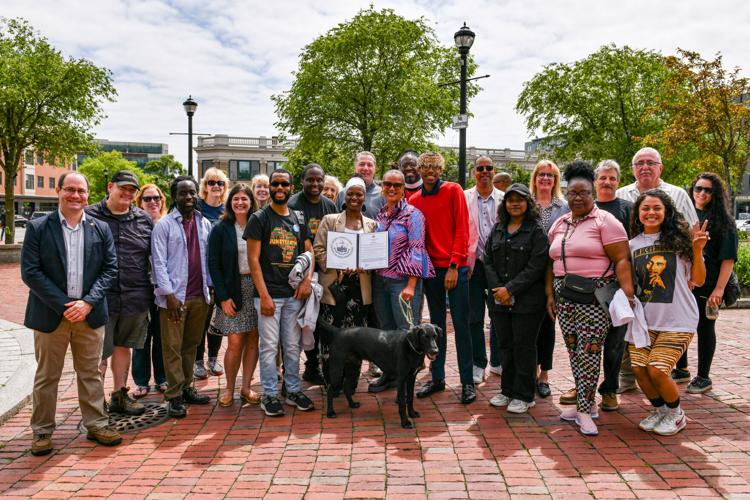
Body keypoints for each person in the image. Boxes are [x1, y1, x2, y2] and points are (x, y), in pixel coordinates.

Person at [21, 171, 121, 456]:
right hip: (51, 315)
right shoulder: (38, 227)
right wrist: (66, 304)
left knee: (90, 373)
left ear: (88, 194)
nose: (76, 196)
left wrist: (87, 302)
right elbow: (31, 272)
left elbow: (109, 269)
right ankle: (42, 431)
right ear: (58, 191)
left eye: (81, 191)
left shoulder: (100, 229)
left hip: (90, 314)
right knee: (47, 376)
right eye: (70, 190)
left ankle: (97, 424)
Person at [547, 162, 634, 436]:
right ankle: (587, 404)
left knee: (590, 353)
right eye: (572, 192)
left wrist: (628, 294)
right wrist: (551, 294)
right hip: (565, 296)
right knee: (574, 350)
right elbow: (551, 261)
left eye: (584, 192)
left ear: (592, 193)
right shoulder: (560, 223)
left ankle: (585, 411)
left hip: (594, 297)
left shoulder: (606, 222)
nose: (577, 197)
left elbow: (622, 258)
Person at [616, 147, 699, 392]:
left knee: (660, 355)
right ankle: (629, 381)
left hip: (672, 273)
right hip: (636, 274)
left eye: (651, 162)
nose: (645, 167)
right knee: (636, 339)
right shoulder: (622, 194)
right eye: (639, 162)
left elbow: (692, 232)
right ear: (632, 169)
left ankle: (668, 399)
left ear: (660, 167)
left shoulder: (677, 193)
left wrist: (692, 266)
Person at [628, 189, 708, 435]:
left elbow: (699, 280)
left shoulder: (681, 241)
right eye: (646, 208)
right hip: (645, 321)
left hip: (678, 320)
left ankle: (676, 413)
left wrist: (697, 250)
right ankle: (660, 409)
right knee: (640, 370)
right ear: (638, 213)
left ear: (666, 212)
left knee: (658, 369)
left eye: (656, 208)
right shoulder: (632, 245)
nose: (651, 213)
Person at [245, 168, 314, 417]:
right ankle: (270, 394)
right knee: (269, 346)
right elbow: (253, 261)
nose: (280, 188)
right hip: (269, 294)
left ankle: (293, 389)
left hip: (294, 294)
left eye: (285, 184)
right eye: (276, 184)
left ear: (291, 187)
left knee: (292, 345)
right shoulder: (260, 218)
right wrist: (263, 295)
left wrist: (307, 280)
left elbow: (309, 253)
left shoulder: (299, 217)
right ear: (271, 187)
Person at [86, 171, 153, 415]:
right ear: (110, 186)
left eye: (132, 190)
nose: (127, 193)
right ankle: (96, 402)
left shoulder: (143, 219)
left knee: (124, 346)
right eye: (122, 188)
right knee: (98, 354)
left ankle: (119, 395)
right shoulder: (89, 215)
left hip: (135, 297)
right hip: (99, 298)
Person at [410, 152, 475, 404]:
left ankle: (467, 381)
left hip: (453, 268)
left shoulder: (453, 190)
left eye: (434, 169)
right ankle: (437, 378)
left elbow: (462, 228)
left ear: (440, 170)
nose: (430, 173)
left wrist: (454, 264)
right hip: (430, 271)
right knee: (434, 329)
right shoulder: (414, 200)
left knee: (462, 325)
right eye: (425, 168)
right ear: (419, 170)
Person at [151, 176, 213, 418]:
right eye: (183, 193)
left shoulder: (204, 223)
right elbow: (158, 262)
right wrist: (169, 295)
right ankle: (174, 396)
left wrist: (211, 288)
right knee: (173, 348)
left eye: (192, 193)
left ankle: (188, 387)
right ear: (174, 196)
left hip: (200, 296)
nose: (188, 197)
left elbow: (207, 259)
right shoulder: (164, 225)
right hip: (174, 299)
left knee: (191, 345)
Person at [367, 169, 434, 392]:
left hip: (403, 282)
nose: (392, 188)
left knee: (407, 332)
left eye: (397, 185)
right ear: (382, 186)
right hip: (380, 281)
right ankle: (391, 374)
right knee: (387, 332)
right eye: (388, 184)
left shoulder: (413, 215)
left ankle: (407, 380)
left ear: (403, 188)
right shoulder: (380, 216)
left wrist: (412, 285)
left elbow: (417, 249)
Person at [485, 183, 549, 413]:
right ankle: (507, 390)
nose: (514, 203)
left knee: (524, 346)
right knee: (506, 346)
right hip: (499, 301)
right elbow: (488, 261)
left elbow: (536, 266)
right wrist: (498, 290)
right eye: (510, 199)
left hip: (528, 301)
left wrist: (510, 289)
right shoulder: (498, 229)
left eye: (519, 199)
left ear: (528, 203)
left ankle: (524, 394)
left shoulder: (536, 231)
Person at [673, 173, 738, 393]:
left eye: (708, 190)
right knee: (680, 325)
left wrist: (719, 289)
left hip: (709, 284)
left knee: (704, 327)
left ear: (715, 194)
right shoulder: (683, 216)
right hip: (684, 282)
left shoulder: (724, 222)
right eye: (698, 188)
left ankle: (703, 377)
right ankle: (681, 369)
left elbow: (728, 259)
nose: (702, 193)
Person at [208, 183, 261, 406]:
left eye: (244, 199)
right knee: (235, 341)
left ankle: (246, 387)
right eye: (236, 198)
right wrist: (222, 297)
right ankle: (229, 388)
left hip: (256, 287)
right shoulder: (221, 228)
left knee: (253, 339)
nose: (240, 202)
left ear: (251, 202)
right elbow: (213, 263)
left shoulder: (258, 225)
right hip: (232, 289)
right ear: (230, 202)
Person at [289, 163, 338, 385]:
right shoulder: (293, 205)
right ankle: (295, 370)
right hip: (300, 274)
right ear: (302, 181)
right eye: (311, 179)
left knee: (318, 322)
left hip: (326, 271)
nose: (316, 184)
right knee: (301, 323)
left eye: (319, 179)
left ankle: (313, 367)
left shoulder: (330, 205)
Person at [314, 176, 378, 328]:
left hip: (361, 288)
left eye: (359, 194)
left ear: (364, 197)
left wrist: (368, 265)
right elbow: (318, 249)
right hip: (335, 285)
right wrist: (337, 264)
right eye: (350, 194)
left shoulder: (372, 225)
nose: (354, 198)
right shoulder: (330, 220)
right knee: (333, 333)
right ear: (344, 195)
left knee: (357, 335)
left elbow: (374, 254)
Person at [530, 159, 569, 398]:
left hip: (555, 269)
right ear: (534, 178)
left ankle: (544, 374)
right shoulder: (526, 202)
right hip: (530, 270)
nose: (545, 179)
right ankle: (530, 370)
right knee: (529, 324)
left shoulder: (563, 206)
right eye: (541, 174)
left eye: (550, 175)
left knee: (548, 323)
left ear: (555, 180)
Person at [464, 156, 504, 383]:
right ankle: (478, 363)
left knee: (498, 316)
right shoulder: (464, 197)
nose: (485, 171)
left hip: (498, 267)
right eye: (480, 168)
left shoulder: (505, 198)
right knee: (474, 318)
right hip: (473, 266)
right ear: (474, 173)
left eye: (489, 168)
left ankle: (498, 362)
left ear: (494, 171)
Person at [131, 184, 168, 397]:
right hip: (140, 288)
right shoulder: (135, 225)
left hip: (162, 288)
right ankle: (141, 380)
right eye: (147, 199)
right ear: (140, 202)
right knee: (142, 336)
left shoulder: (168, 224)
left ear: (162, 200)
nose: (152, 202)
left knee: (163, 335)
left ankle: (162, 378)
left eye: (156, 198)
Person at [194, 167, 230, 380]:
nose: (216, 186)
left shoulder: (228, 211)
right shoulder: (197, 209)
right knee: (202, 321)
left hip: (223, 275)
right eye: (211, 182)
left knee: (218, 321)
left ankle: (213, 358)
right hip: (200, 274)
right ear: (204, 186)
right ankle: (198, 361)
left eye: (220, 183)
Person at [335, 151, 386, 215]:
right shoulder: (342, 193)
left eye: (370, 165)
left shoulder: (383, 195)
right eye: (362, 164)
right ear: (355, 167)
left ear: (375, 169)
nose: (365, 168)